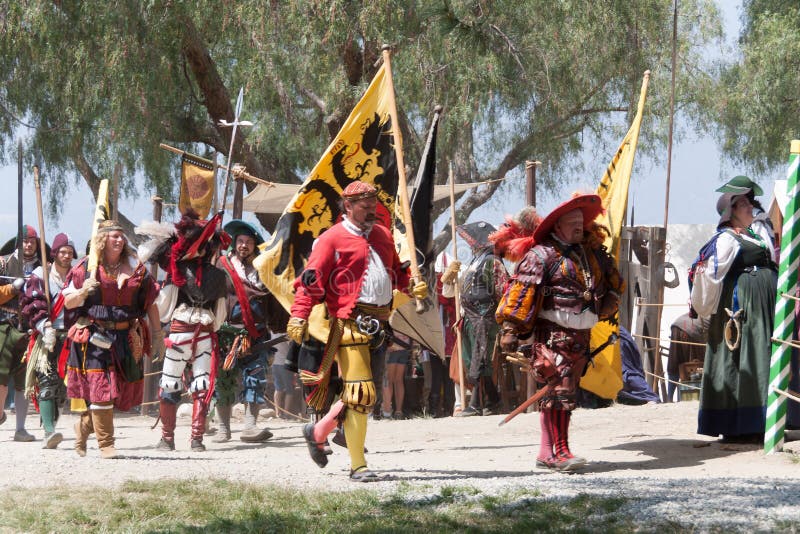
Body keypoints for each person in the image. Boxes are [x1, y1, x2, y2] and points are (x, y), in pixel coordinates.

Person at [288, 180, 427, 482]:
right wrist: (299, 315)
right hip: (348, 323)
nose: (371, 212)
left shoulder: (383, 235)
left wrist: (412, 286)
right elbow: (311, 280)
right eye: (364, 208)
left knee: (365, 394)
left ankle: (319, 429)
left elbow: (396, 274)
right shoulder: (330, 239)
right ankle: (358, 465)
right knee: (361, 392)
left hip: (380, 326)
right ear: (347, 207)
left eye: (373, 207)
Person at [496, 195, 624, 471]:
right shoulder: (540, 255)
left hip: (581, 336)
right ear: (557, 226)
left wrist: (610, 298)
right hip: (552, 334)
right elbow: (520, 292)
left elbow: (614, 284)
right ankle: (560, 452)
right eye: (573, 222)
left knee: (563, 393)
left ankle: (547, 452)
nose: (579, 226)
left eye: (581, 221)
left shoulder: (592, 254)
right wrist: (510, 329)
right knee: (559, 392)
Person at [62, 220, 164, 458]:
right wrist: (82, 291)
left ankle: (84, 425)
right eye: (114, 236)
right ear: (102, 240)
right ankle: (106, 444)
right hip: (95, 337)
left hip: (126, 338)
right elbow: (68, 303)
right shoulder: (86, 268)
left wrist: (158, 334)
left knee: (118, 391)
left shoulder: (136, 267)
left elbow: (150, 303)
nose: (120, 240)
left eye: (122, 236)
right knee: (101, 390)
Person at [690, 181, 777, 443]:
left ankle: (765, 420)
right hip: (741, 311)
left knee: (761, 357)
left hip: (761, 307)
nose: (751, 207)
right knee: (744, 359)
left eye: (750, 202)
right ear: (731, 211)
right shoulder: (727, 239)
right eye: (744, 204)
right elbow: (710, 277)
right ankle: (741, 424)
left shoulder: (753, 235)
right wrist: (723, 311)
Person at [138, 211, 229, 452]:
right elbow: (220, 315)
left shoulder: (176, 272)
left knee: (169, 382)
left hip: (179, 332)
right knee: (201, 383)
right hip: (206, 333)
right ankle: (197, 440)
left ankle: (167, 439)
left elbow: (164, 307)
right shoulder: (219, 276)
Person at [216, 219, 285, 443]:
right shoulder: (222, 265)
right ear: (235, 243)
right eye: (241, 241)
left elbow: (275, 300)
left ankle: (249, 427)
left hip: (256, 335)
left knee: (255, 378)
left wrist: (284, 325)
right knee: (224, 379)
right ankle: (223, 429)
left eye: (249, 242)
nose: (244, 245)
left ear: (255, 246)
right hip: (225, 333)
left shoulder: (263, 270)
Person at [18, 233, 76, 448]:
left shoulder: (76, 275)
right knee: (47, 383)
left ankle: (51, 426)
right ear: (55, 253)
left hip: (70, 337)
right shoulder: (40, 274)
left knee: (61, 389)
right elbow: (33, 303)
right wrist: (45, 326)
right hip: (47, 335)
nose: (66, 255)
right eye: (63, 251)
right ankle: (49, 432)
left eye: (69, 252)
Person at [454, 221, 507, 417]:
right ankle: (493, 401)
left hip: (485, 317)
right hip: (470, 317)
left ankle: (476, 404)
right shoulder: (475, 261)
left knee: (480, 358)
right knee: (473, 359)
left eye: (472, 241)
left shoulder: (492, 261)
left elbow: (504, 290)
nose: (470, 244)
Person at [0, 224, 43, 440]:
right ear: (19, 243)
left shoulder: (43, 266)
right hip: (4, 325)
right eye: (25, 241)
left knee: (24, 381)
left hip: (29, 328)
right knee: (0, 377)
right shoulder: (3, 263)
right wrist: (11, 289)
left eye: (32, 241)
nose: (28, 244)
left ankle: (20, 429)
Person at [667, 313, 710, 402]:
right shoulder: (719, 317)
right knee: (694, 366)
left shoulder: (706, 311)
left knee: (674, 362)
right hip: (692, 330)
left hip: (677, 325)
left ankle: (669, 398)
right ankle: (691, 397)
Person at [381, 332, 411, 419]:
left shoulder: (390, 317)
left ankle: (387, 411)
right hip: (405, 345)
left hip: (392, 346)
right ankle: (398, 411)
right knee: (399, 380)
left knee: (389, 380)